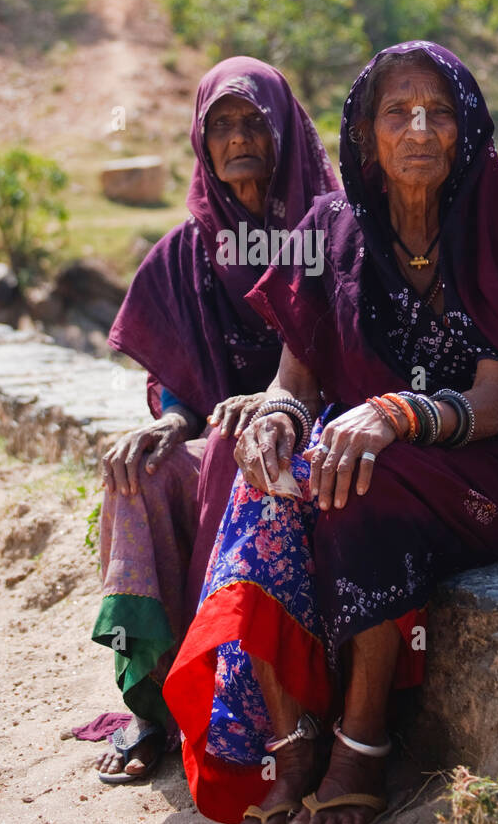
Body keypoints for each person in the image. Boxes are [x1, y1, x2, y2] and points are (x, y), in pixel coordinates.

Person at [163, 39, 498, 824]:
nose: (419, 130)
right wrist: (276, 419)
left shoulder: (490, 222)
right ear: (364, 135)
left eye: (439, 113)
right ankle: (292, 741)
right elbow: (294, 376)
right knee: (261, 475)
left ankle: (362, 743)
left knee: (364, 469)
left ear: (465, 130)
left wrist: (398, 412)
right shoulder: (335, 228)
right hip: (377, 451)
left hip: (489, 470)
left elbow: (494, 398)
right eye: (397, 112)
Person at [92, 56, 338, 782]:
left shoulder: (329, 231)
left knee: (237, 448)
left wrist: (276, 401)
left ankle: (242, 707)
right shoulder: (187, 251)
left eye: (252, 122)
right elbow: (174, 382)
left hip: (310, 441)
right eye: (221, 126)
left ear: (284, 130)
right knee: (138, 472)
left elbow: (352, 353)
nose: (238, 139)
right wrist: (169, 423)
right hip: (219, 439)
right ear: (203, 143)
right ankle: (154, 706)